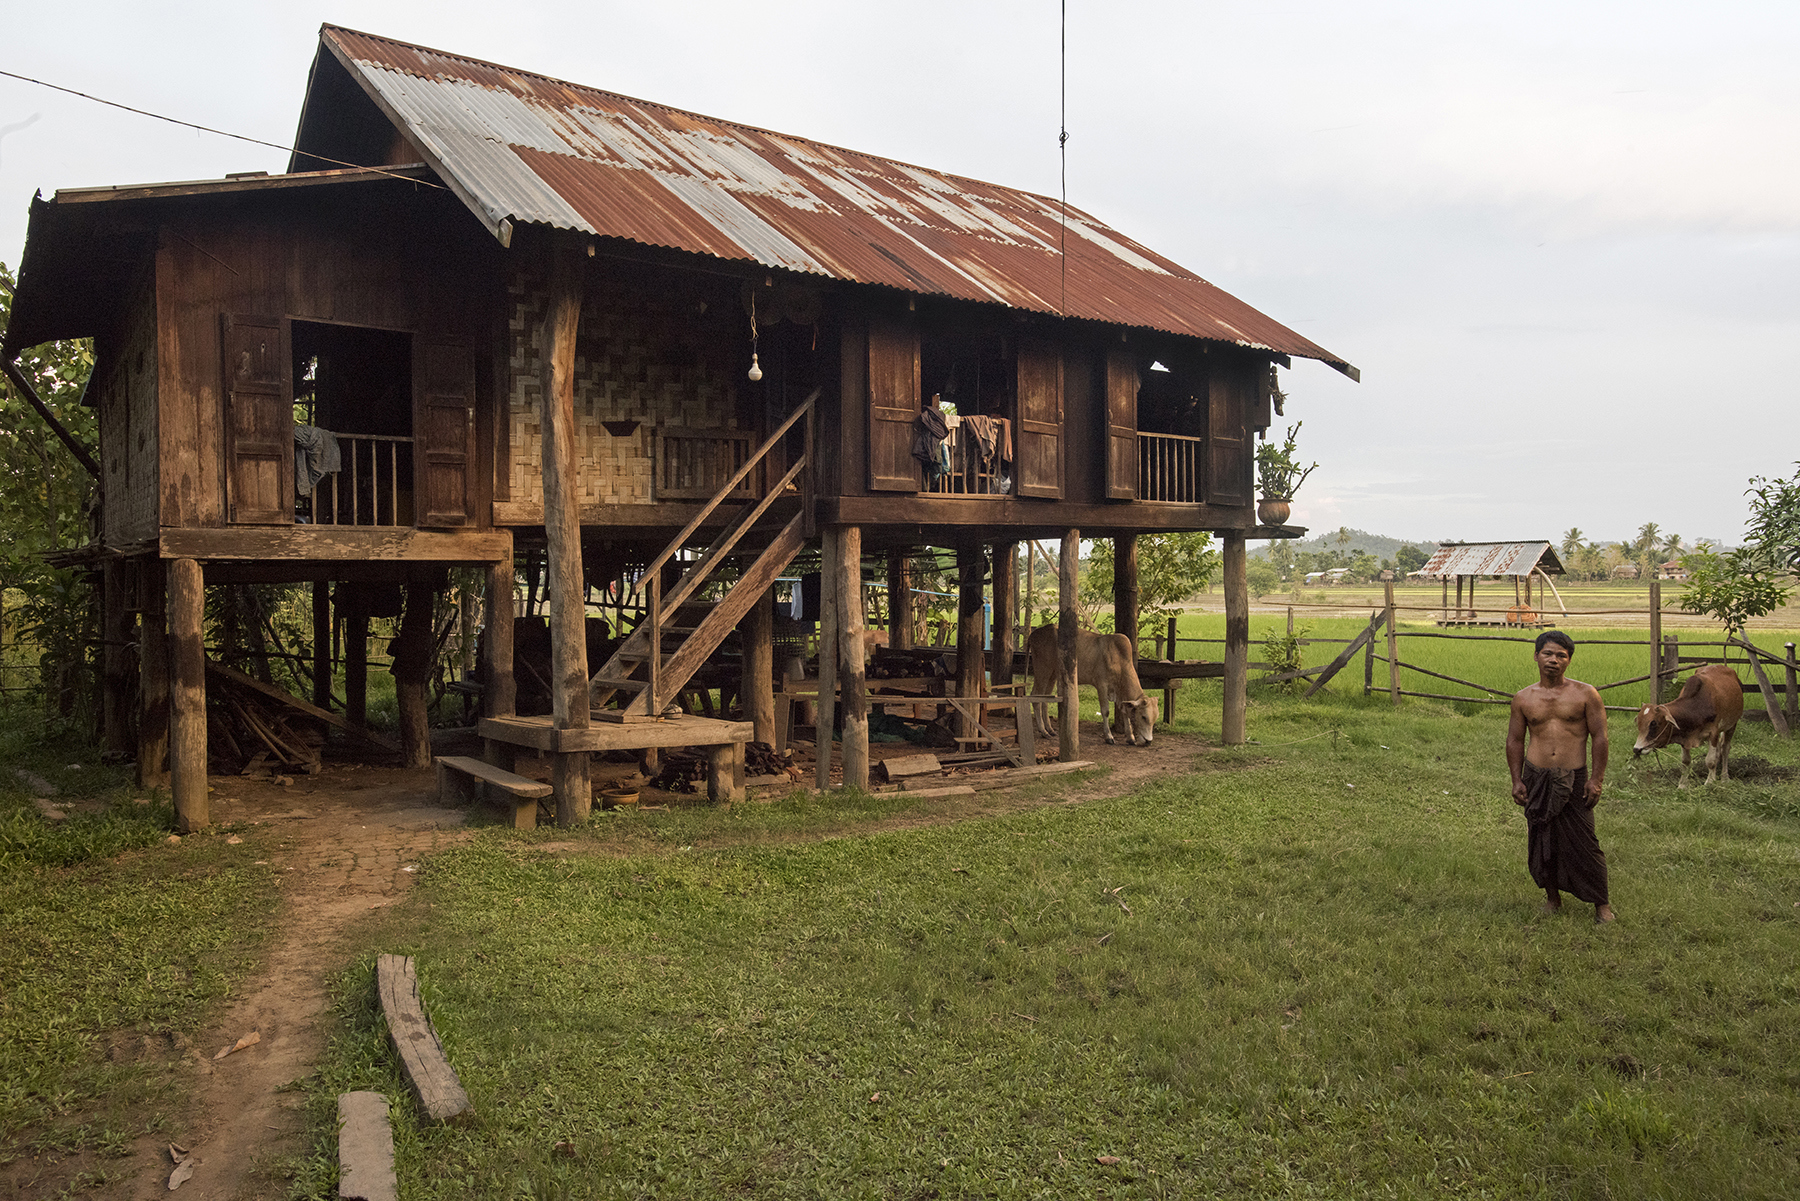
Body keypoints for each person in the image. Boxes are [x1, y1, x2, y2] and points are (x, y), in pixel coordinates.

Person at [1506, 630, 1615, 922]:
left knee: (1585, 842)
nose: (1553, 660)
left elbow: (1600, 737)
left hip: (1575, 776)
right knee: (1543, 840)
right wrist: (1517, 780)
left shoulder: (1585, 694)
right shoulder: (1523, 698)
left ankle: (1601, 904)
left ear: (1569, 661)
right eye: (1548, 654)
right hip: (1536, 776)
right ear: (1536, 656)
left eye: (1561, 656)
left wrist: (1597, 779)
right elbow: (1515, 741)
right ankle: (1552, 898)